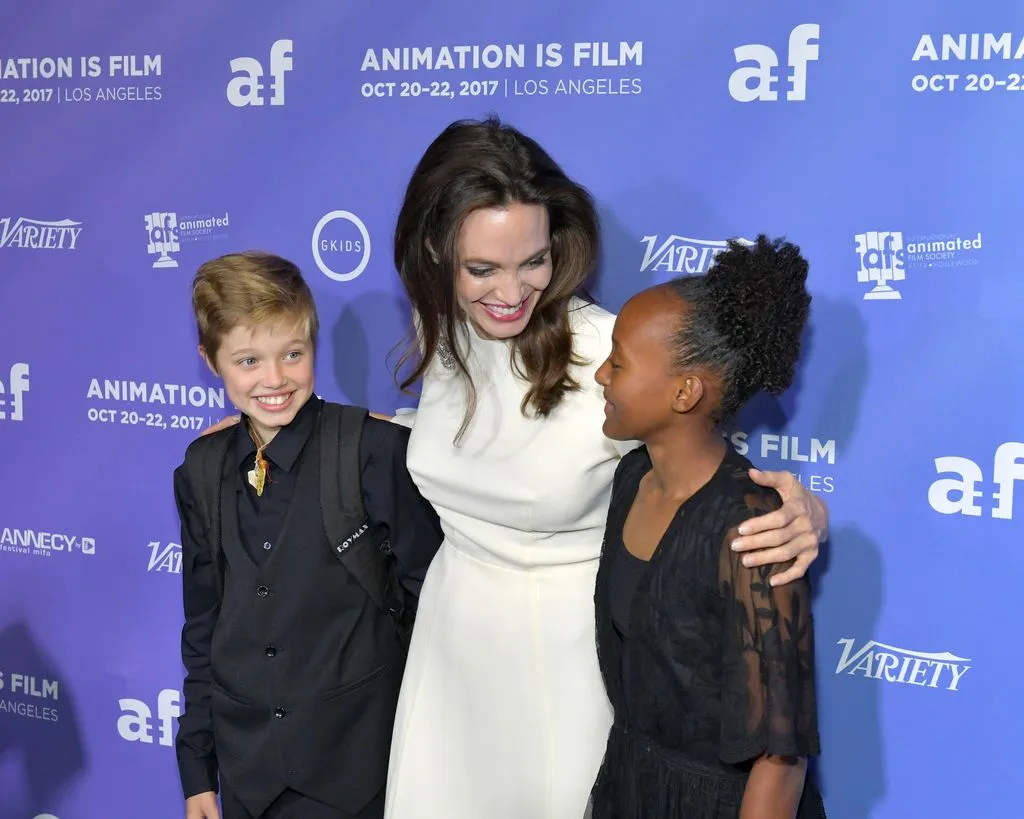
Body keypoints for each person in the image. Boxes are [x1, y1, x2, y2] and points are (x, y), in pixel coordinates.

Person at [377, 118, 830, 819]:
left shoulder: (610, 355)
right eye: (482, 268)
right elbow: (454, 441)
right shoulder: (444, 329)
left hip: (566, 665)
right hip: (450, 648)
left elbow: (700, 477)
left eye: (534, 260)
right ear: (435, 252)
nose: (511, 291)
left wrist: (805, 511)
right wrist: (278, 426)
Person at [173, 251, 442, 819]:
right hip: (249, 778)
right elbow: (203, 627)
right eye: (248, 360)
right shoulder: (200, 469)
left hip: (360, 770)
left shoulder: (373, 452)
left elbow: (431, 610)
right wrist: (197, 770)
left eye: (293, 353)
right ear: (210, 360)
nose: (275, 379)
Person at [588, 235, 826, 818]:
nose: (600, 374)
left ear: (684, 391)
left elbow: (780, 760)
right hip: (633, 784)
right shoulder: (632, 477)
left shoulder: (754, 525)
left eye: (618, 361)